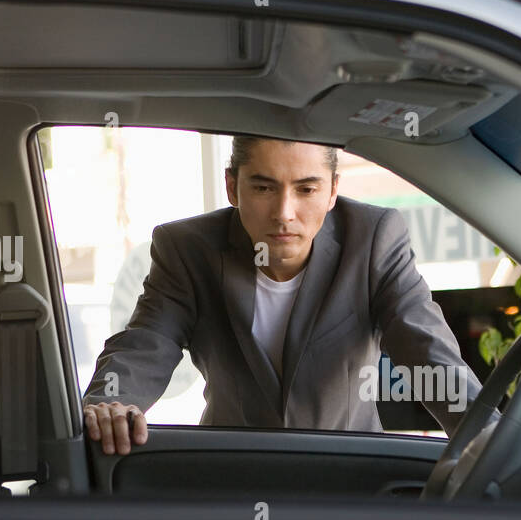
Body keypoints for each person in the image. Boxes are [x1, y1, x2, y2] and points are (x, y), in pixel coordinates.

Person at [82, 136, 482, 455]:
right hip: (233, 481)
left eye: (306, 189)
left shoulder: (374, 238)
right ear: (232, 187)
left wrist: (486, 434)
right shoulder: (188, 249)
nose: (284, 212)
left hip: (350, 479)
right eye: (263, 187)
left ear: (332, 192)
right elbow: (146, 343)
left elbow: (425, 348)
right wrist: (107, 403)